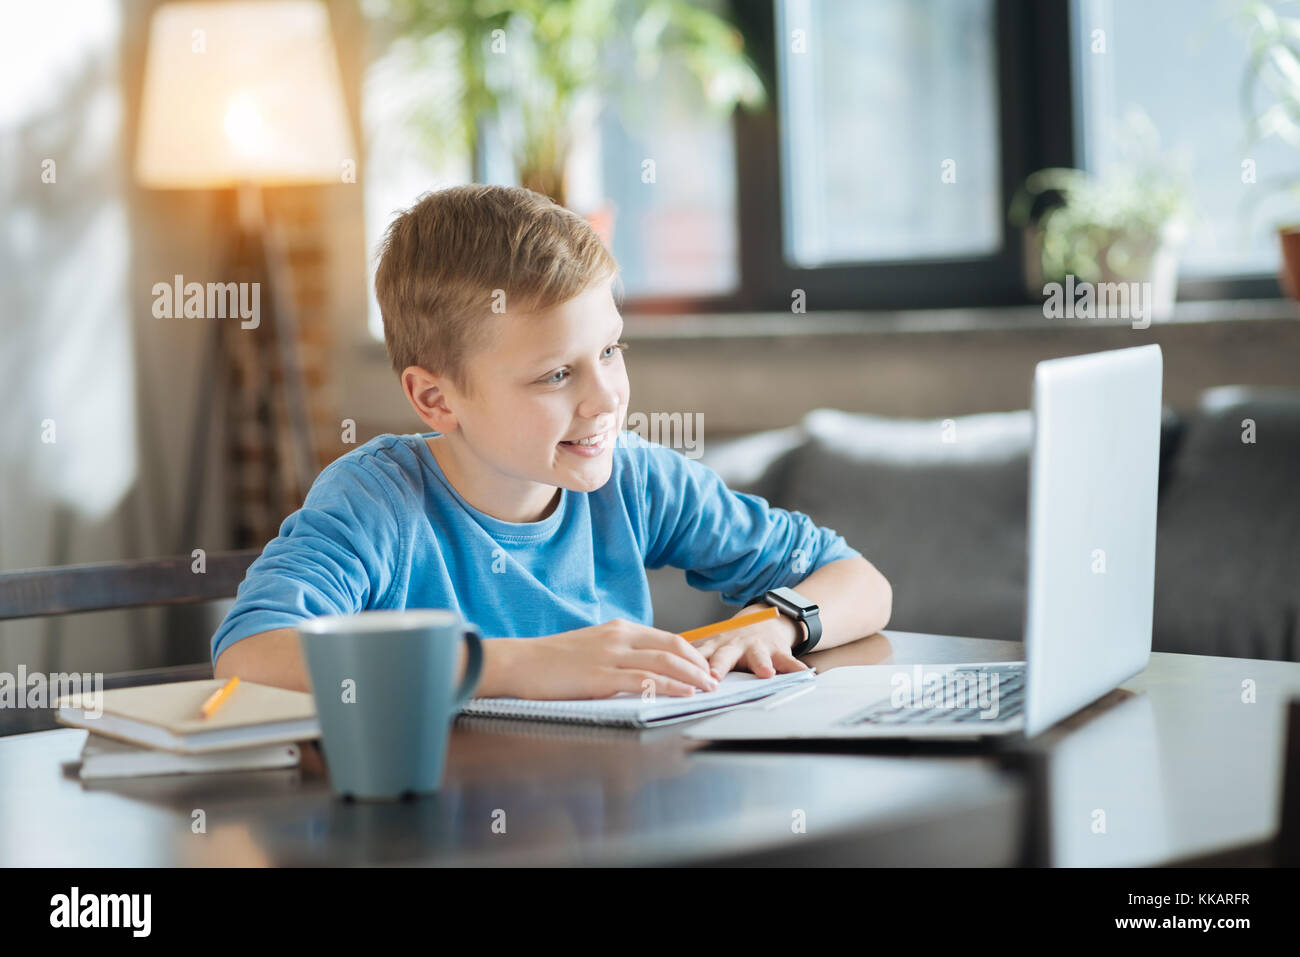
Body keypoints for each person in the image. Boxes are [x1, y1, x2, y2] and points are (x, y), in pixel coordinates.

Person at [211, 185, 891, 699]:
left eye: (610, 350)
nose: (605, 399)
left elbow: (860, 579)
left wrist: (777, 623)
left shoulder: (637, 480)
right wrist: (521, 663)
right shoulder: (379, 501)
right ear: (435, 399)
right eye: (557, 373)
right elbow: (251, 652)